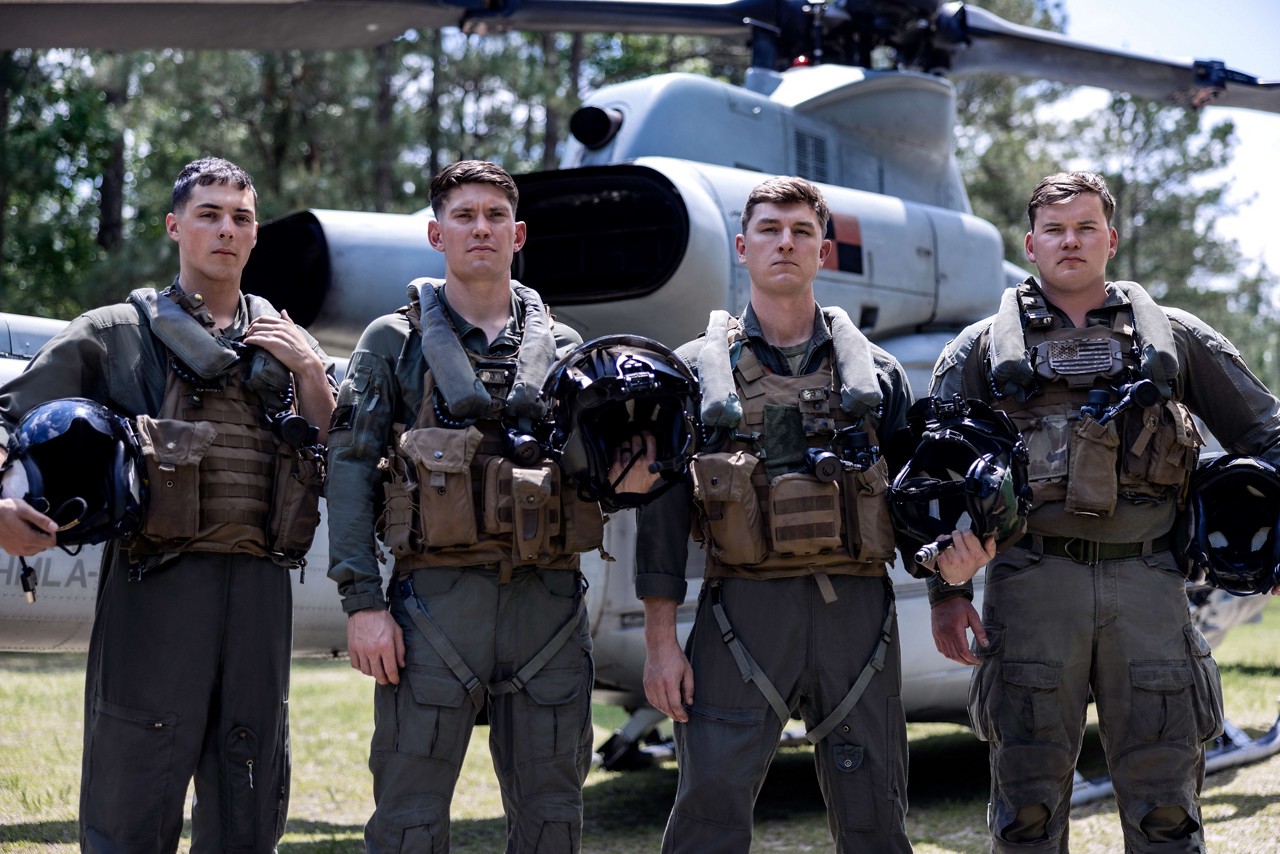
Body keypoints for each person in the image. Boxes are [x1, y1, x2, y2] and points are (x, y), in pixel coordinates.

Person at [635, 175, 992, 853]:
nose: (786, 244)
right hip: (739, 612)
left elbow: (923, 499)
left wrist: (950, 595)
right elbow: (660, 515)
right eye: (769, 230)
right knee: (709, 802)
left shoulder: (877, 376)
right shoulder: (693, 374)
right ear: (742, 247)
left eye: (802, 232)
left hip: (855, 614)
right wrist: (660, 642)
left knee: (875, 804)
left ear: (823, 252)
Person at [928, 170, 1280, 853]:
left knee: (1165, 805)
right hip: (1029, 586)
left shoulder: (1175, 340)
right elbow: (934, 483)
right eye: (1055, 230)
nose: (1070, 242)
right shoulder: (978, 352)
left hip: (1149, 584)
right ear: (1030, 244)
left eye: (1086, 228)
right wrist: (948, 594)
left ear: (1110, 239)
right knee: (1025, 805)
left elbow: (1268, 436)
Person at [0, 156, 336, 851]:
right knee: (132, 790)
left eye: (241, 217)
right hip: (157, 589)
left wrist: (309, 369)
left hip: (261, 592)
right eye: (209, 214)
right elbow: (7, 416)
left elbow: (342, 452)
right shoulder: (116, 331)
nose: (226, 229)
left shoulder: (287, 344)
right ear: (174, 225)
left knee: (249, 796)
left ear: (253, 236)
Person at [328, 159, 636, 852]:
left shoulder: (566, 350)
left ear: (518, 233)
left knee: (554, 814)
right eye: (464, 216)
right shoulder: (392, 343)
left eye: (496, 217)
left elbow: (601, 476)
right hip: (435, 604)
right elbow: (348, 470)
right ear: (436, 234)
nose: (481, 229)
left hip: (549, 606)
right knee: (408, 816)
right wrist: (363, 605)